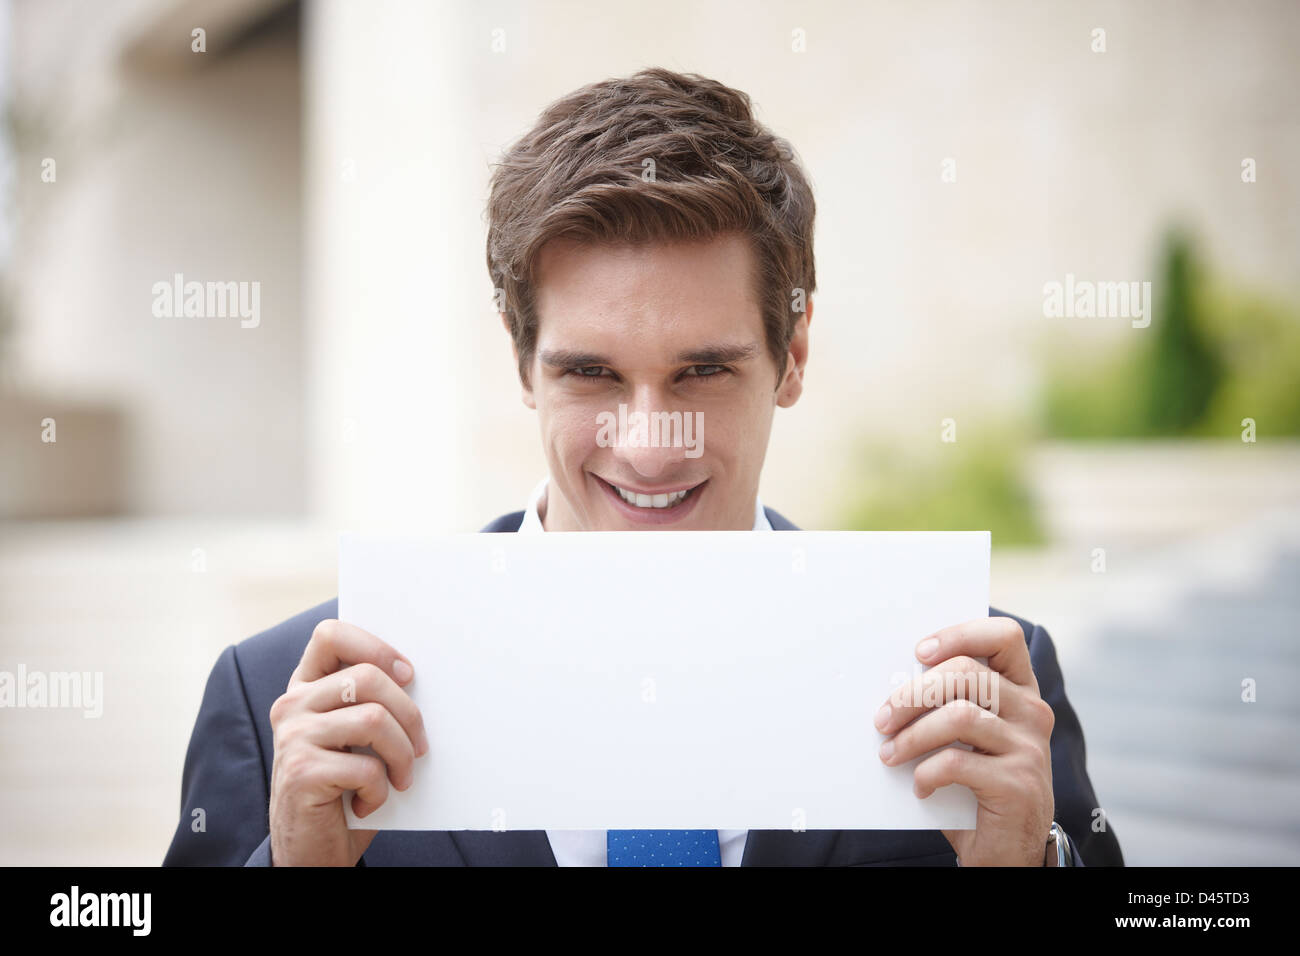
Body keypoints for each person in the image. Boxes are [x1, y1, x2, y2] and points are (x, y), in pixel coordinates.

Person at [164, 67, 1122, 867]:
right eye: (591, 373)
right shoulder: (279, 700)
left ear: (792, 358)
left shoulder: (987, 684)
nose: (647, 441)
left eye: (702, 370)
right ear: (520, 364)